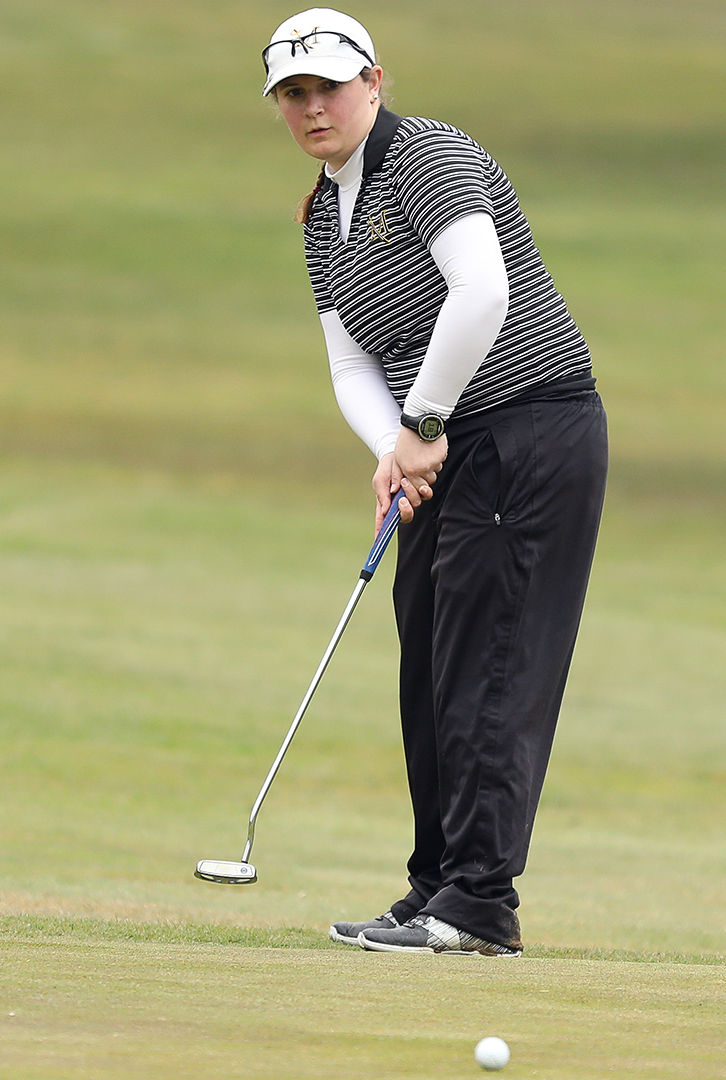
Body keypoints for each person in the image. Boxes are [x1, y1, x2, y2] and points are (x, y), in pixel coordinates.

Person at [260, 9, 609, 956]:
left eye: (326, 86)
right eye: (293, 93)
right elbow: (348, 366)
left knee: (488, 661)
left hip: (529, 425)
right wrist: (394, 446)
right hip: (443, 439)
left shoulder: (428, 156)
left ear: (373, 80)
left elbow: (483, 292)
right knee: (428, 665)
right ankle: (434, 888)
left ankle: (481, 903)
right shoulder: (322, 214)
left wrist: (420, 426)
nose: (311, 107)